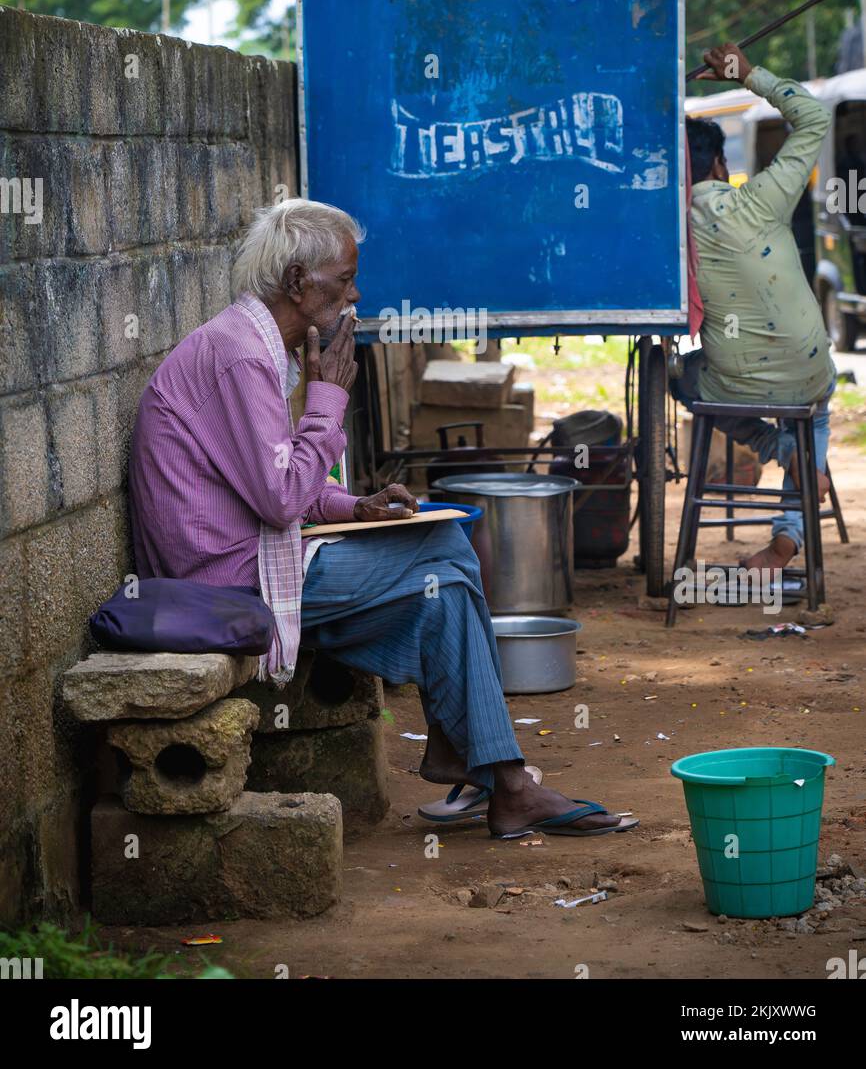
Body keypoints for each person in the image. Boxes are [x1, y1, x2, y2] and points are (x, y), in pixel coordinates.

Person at [129, 197, 636, 839]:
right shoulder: (240, 357)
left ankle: (499, 779)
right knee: (447, 553)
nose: (355, 293)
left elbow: (284, 484)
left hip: (254, 555)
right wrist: (327, 400)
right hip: (221, 582)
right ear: (296, 283)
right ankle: (490, 770)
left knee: (443, 590)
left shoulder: (260, 348)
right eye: (343, 281)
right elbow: (281, 498)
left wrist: (355, 506)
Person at [672, 42, 835, 573]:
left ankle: (774, 444)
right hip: (809, 371)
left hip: (733, 388)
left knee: (680, 376)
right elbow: (811, 116)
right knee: (814, 411)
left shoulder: (665, 232)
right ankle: (787, 537)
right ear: (719, 165)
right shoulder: (759, 199)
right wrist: (744, 73)